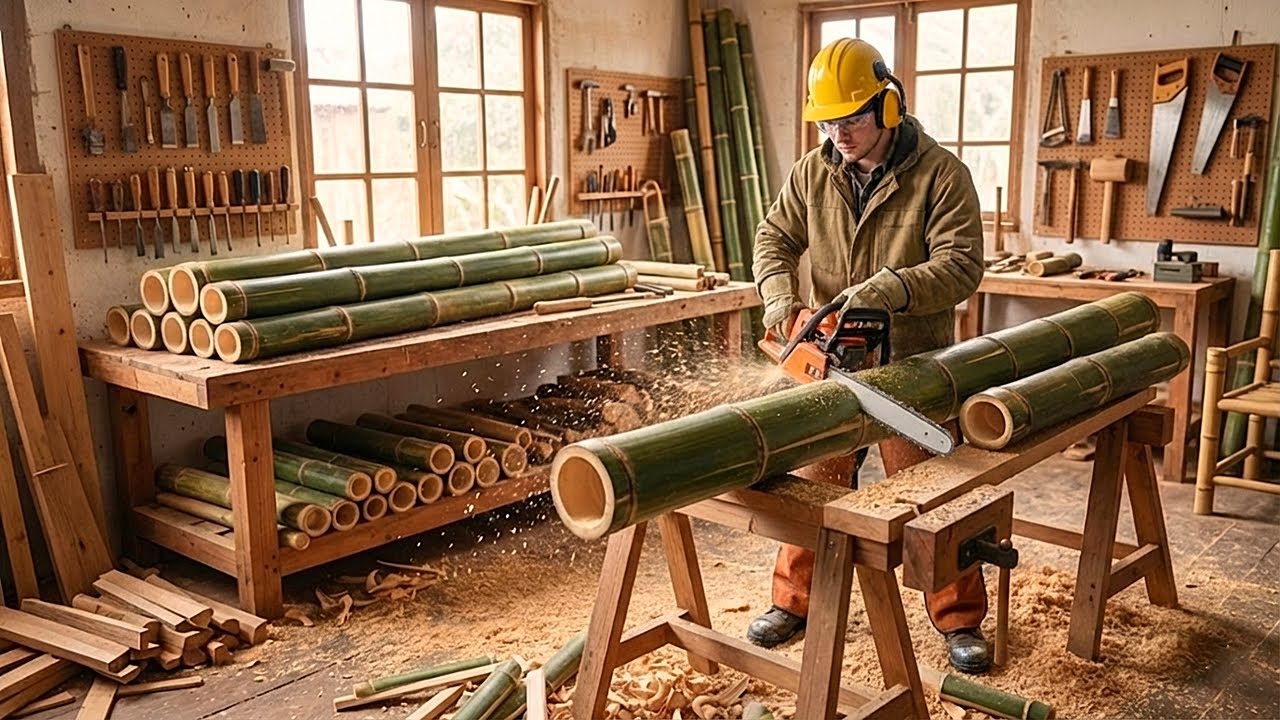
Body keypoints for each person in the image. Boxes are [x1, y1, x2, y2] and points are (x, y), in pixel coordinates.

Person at [749, 37, 990, 674]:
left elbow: (963, 267)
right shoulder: (812, 171)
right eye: (827, 121)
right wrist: (779, 302)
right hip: (832, 360)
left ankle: (959, 620)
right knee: (811, 486)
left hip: (912, 362)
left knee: (930, 495)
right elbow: (773, 238)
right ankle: (794, 604)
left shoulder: (941, 174)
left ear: (887, 106)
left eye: (851, 119)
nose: (839, 134)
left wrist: (893, 288)